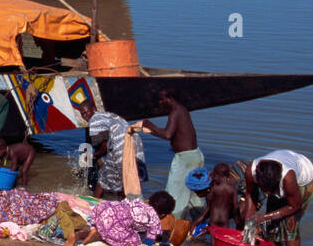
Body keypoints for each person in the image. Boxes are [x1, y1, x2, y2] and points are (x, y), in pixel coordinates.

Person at [136, 88, 205, 218]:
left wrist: (149, 125)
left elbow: (167, 134)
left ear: (170, 98)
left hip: (185, 159)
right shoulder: (182, 109)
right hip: (196, 155)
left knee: (174, 195)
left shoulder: (175, 112)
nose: (161, 103)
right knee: (195, 195)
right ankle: (200, 226)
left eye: (162, 99)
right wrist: (152, 131)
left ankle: (171, 224)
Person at [237, 150, 313, 246]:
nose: (267, 193)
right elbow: (251, 194)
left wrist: (264, 217)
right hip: (280, 177)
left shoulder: (288, 178)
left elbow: (294, 206)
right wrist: (249, 223)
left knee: (290, 225)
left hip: (305, 179)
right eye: (264, 189)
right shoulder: (251, 172)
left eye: (269, 190)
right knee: (273, 226)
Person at [79, 98, 146, 199]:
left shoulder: (94, 121)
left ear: (94, 109)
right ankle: (124, 202)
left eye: (86, 112)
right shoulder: (107, 115)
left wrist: (93, 156)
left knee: (112, 179)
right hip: (135, 142)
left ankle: (94, 206)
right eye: (82, 114)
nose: (84, 116)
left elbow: (105, 148)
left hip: (121, 147)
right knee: (126, 178)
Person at [67, 196, 160, 246]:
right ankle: (92, 240)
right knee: (133, 240)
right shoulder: (151, 217)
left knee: (102, 227)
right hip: (113, 221)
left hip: (104, 208)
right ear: (162, 214)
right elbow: (145, 234)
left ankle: (78, 235)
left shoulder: (139, 201)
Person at [190, 163, 240, 231]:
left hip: (214, 218)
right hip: (225, 219)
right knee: (223, 235)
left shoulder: (214, 189)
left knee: (214, 236)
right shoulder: (233, 190)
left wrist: (199, 220)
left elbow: (209, 207)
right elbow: (236, 207)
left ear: (216, 176)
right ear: (228, 175)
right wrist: (237, 221)